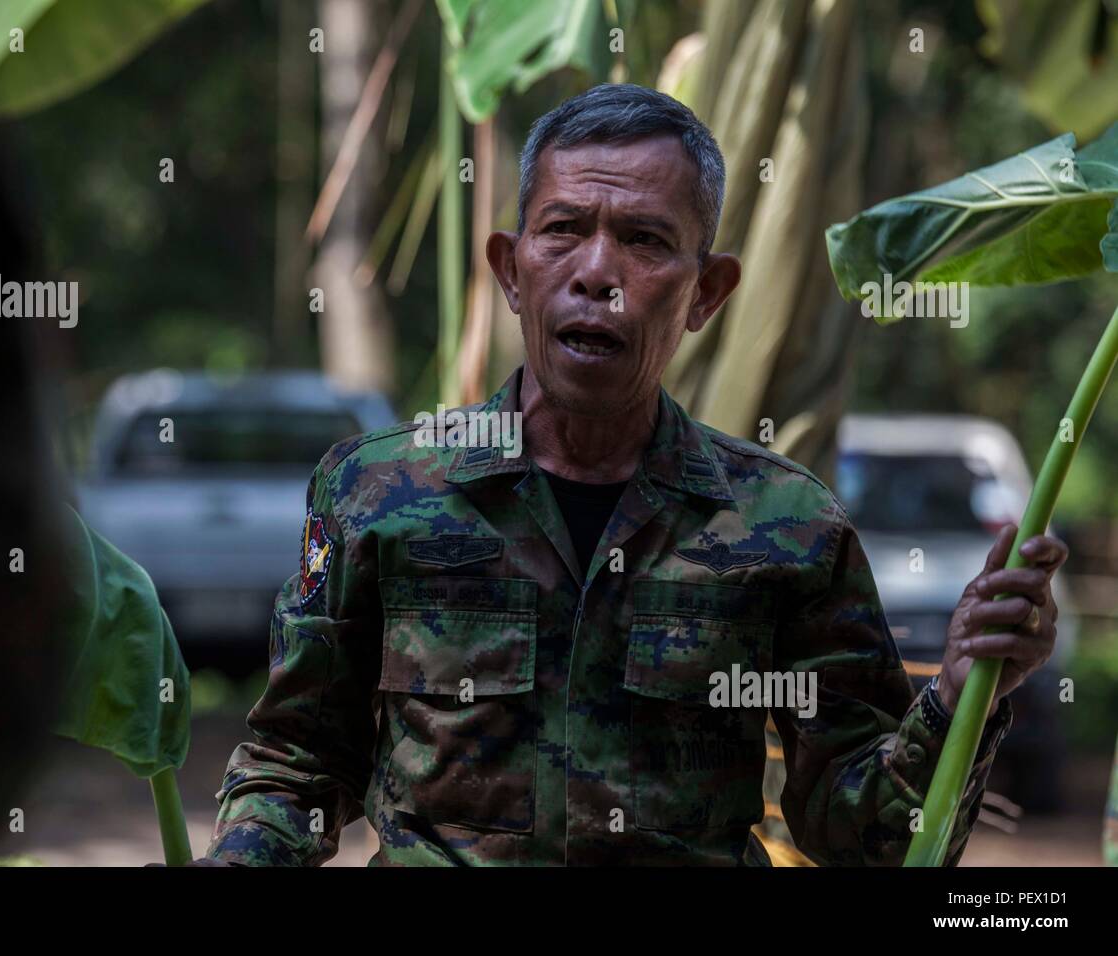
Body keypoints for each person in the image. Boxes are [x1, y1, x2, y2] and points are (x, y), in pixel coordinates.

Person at [205, 83, 1066, 866]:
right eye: (564, 230)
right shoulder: (377, 491)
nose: (596, 274)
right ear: (511, 269)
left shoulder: (786, 523)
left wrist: (961, 693)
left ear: (706, 294)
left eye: (645, 241)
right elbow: (301, 763)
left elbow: (870, 839)